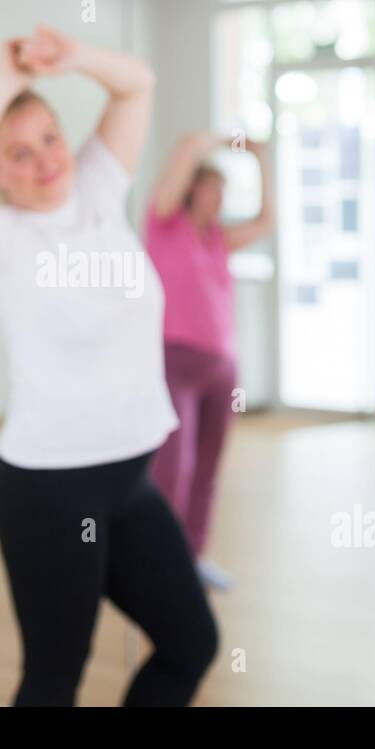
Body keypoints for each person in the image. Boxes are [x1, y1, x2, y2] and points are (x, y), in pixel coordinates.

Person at [0, 26, 219, 705]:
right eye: (17, 154)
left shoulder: (98, 191)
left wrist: (71, 58)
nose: (43, 160)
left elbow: (136, 81)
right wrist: (3, 78)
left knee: (191, 642)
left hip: (130, 479)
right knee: (56, 677)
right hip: (49, 493)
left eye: (49, 139)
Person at [144, 133, 273, 590]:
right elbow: (184, 152)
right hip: (175, 363)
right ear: (191, 190)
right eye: (211, 189)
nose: (218, 199)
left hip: (221, 368)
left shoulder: (219, 238)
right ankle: (162, 564)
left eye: (223, 191)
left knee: (207, 470)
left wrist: (262, 160)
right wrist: (217, 142)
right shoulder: (164, 226)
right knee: (172, 470)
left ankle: (193, 557)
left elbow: (267, 220)